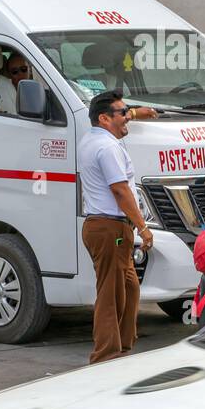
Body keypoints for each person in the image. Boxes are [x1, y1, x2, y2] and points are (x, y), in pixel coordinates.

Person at [78, 89, 153, 364]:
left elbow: (122, 116)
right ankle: (105, 356)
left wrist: (136, 112)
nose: (127, 117)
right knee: (111, 292)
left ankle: (122, 345)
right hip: (111, 229)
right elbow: (121, 191)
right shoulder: (107, 147)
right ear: (104, 119)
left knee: (129, 286)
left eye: (127, 111)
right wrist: (143, 227)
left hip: (110, 228)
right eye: (122, 113)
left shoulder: (95, 137)